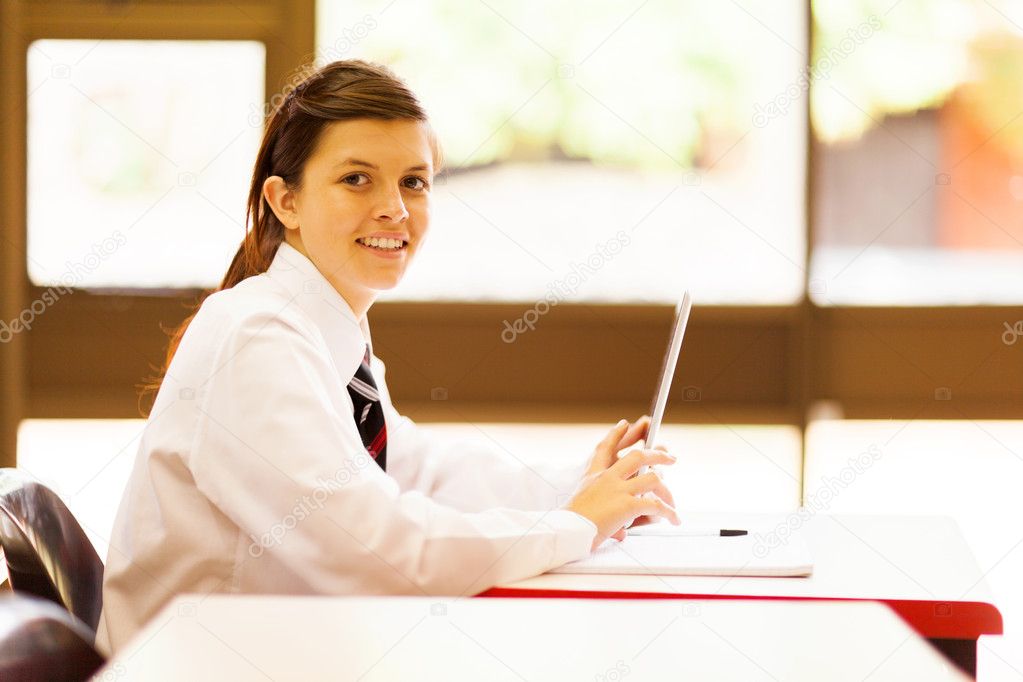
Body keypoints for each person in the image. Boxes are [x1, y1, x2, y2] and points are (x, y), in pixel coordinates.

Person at [96, 59, 679, 654]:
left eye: (414, 182)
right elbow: (374, 553)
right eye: (357, 179)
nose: (394, 208)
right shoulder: (256, 338)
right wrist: (574, 524)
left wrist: (576, 486)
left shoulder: (326, 335)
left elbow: (416, 470)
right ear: (285, 201)